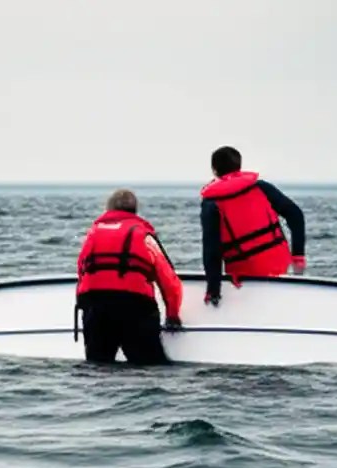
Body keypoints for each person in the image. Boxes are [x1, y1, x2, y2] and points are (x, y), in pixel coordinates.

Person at [75, 189, 184, 365]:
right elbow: (168, 280)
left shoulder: (92, 234)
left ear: (108, 210)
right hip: (135, 306)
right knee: (149, 366)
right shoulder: (143, 236)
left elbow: (82, 272)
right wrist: (173, 315)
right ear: (135, 211)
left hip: (95, 308)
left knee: (98, 366)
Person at [199, 146, 306, 306]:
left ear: (214, 170)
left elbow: (211, 250)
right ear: (239, 166)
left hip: (244, 276)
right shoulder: (261, 187)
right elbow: (296, 215)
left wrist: (213, 290)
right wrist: (298, 256)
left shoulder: (211, 203)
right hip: (280, 265)